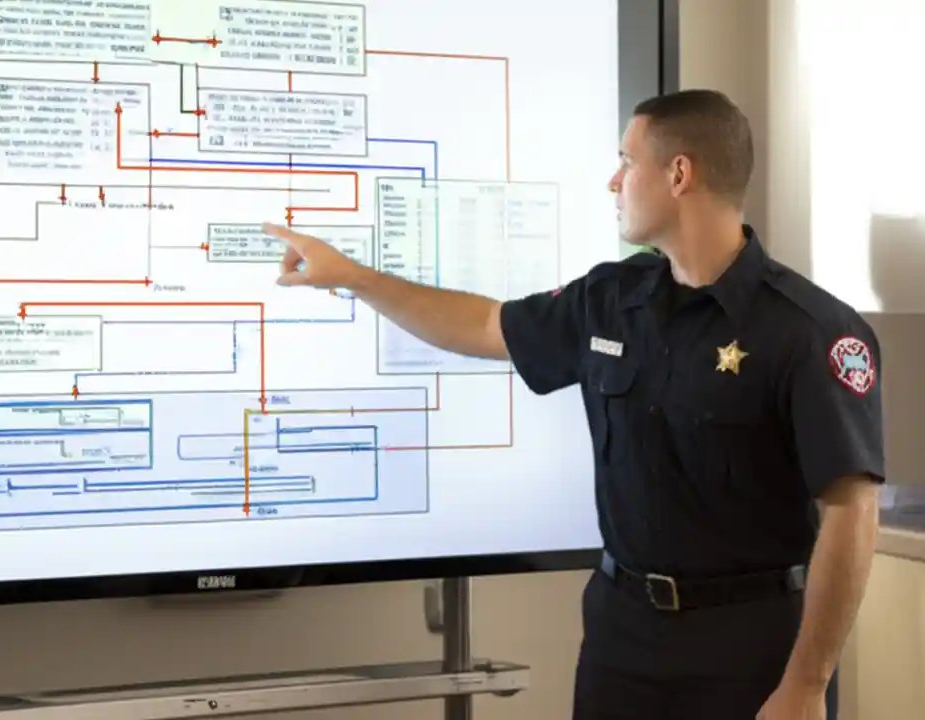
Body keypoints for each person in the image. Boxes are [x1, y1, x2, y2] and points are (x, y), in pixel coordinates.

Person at [261, 89, 883, 719]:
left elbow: (851, 513)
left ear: (678, 173)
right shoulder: (611, 298)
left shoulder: (810, 331)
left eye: (626, 160)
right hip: (624, 635)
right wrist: (355, 278)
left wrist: (806, 683)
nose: (613, 181)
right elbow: (481, 326)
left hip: (752, 645)